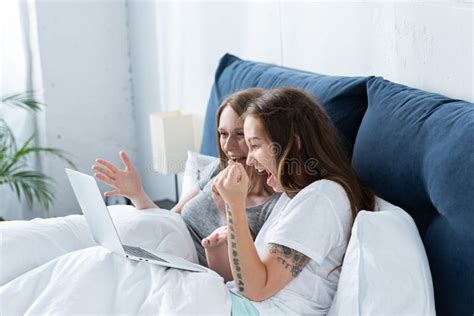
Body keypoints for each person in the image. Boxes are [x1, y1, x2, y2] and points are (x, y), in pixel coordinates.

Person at [211, 87, 375, 315]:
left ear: (294, 144)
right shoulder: (296, 195)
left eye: (255, 145)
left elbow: (256, 289)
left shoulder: (321, 199)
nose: (249, 159)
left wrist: (234, 206)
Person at [92, 88, 280, 279]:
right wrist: (137, 194)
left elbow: (245, 279)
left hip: (192, 278)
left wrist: (229, 210)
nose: (228, 146)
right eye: (223, 134)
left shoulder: (273, 205)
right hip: (163, 257)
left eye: (239, 134)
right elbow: (170, 220)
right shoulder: (217, 170)